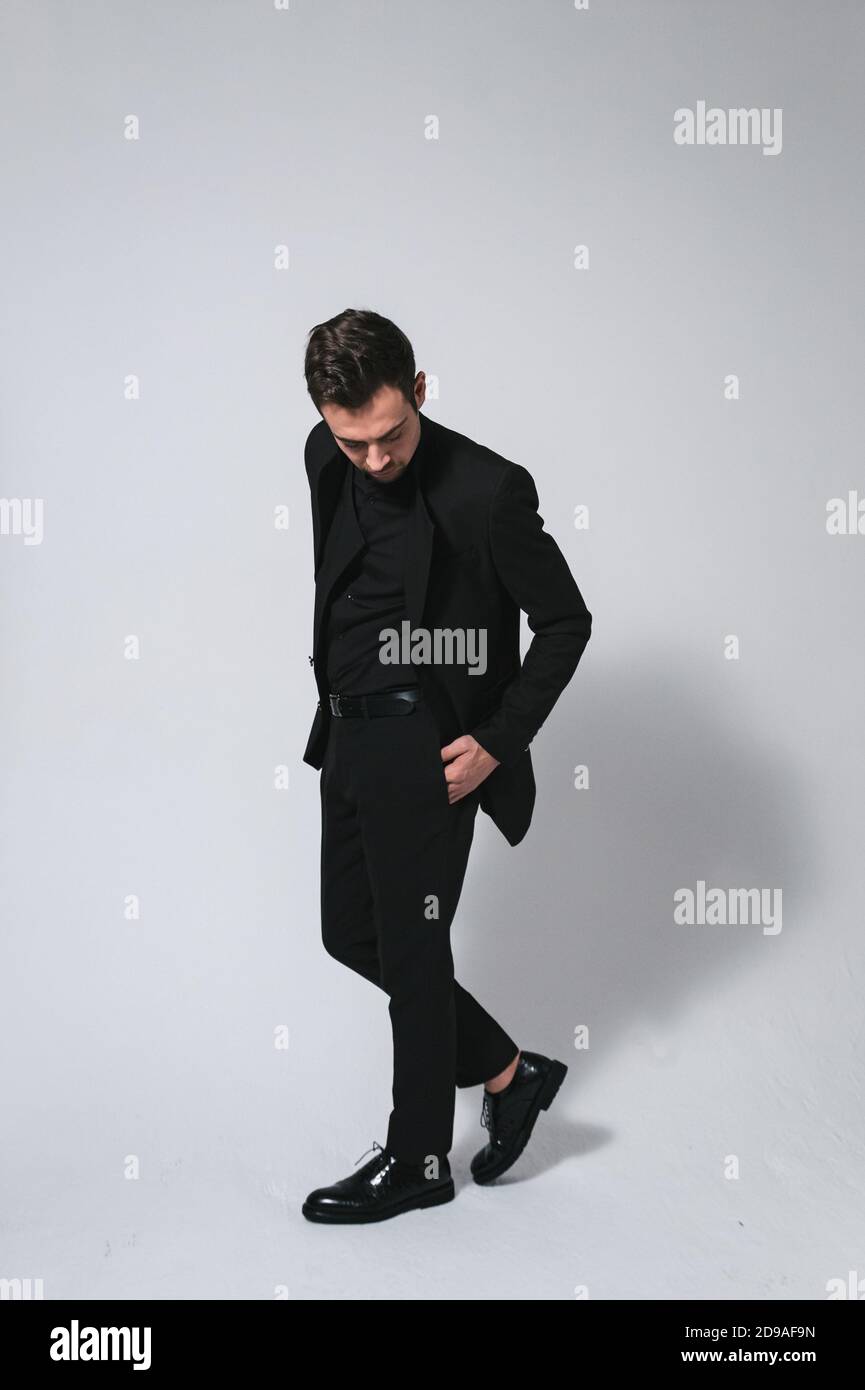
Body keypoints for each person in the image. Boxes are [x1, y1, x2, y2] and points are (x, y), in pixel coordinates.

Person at [299, 308, 592, 1223]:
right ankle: (513, 1072)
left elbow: (566, 623)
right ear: (322, 416)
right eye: (355, 443)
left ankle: (421, 1158)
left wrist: (498, 740)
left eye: (390, 434)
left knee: (416, 954)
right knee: (351, 934)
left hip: (433, 749)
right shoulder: (321, 454)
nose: (375, 459)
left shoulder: (488, 491)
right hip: (347, 733)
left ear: (420, 390)